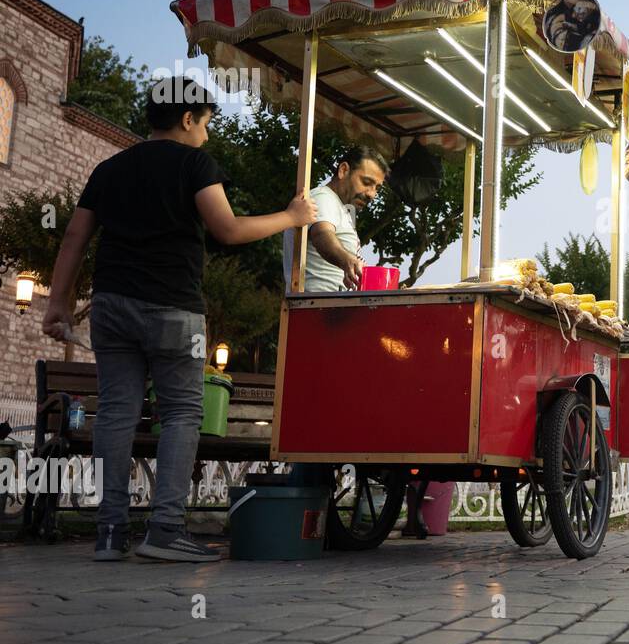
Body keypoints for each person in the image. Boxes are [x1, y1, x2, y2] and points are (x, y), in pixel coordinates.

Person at [43, 78, 316, 562]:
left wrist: (57, 303)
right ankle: (165, 530)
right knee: (183, 414)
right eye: (206, 124)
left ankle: (110, 532)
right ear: (188, 118)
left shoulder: (109, 168)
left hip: (111, 305)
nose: (207, 136)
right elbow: (227, 228)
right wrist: (291, 218)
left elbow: (73, 238)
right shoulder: (195, 163)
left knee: (117, 412)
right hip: (173, 309)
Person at [283, 145, 388, 292]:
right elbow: (322, 234)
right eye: (366, 182)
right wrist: (347, 261)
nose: (372, 194)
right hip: (316, 306)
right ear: (343, 170)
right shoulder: (322, 197)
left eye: (377, 187)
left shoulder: (342, 209)